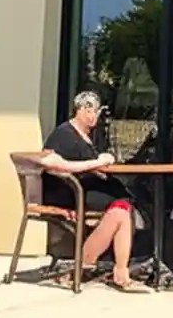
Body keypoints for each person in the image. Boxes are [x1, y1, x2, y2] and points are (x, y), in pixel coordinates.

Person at [40, 90, 140, 291]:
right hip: (69, 194)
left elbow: (88, 164)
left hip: (83, 190)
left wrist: (99, 163)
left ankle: (117, 271)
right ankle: (85, 269)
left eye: (95, 110)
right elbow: (51, 163)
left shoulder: (85, 136)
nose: (93, 115)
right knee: (120, 212)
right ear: (79, 110)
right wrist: (94, 163)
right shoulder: (64, 134)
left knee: (123, 208)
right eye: (89, 110)